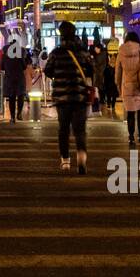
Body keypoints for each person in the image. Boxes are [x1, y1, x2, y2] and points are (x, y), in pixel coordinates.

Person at [43, 21, 93, 174]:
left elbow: (48, 71)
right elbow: (91, 71)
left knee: (63, 129)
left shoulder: (56, 53)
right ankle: (81, 156)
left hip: (62, 97)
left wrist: (59, 76)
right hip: (79, 97)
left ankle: (65, 160)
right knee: (80, 130)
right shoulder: (83, 52)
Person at [115, 31, 140, 147]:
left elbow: (118, 72)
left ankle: (131, 137)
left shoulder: (121, 52)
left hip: (127, 86)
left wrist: (118, 86)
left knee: (130, 113)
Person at [0, 39, 28, 120]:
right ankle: (19, 114)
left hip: (9, 78)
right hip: (19, 78)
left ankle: (12, 117)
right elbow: (24, 66)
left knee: (11, 97)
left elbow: (2, 67)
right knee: (20, 96)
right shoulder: (20, 54)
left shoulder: (5, 56)